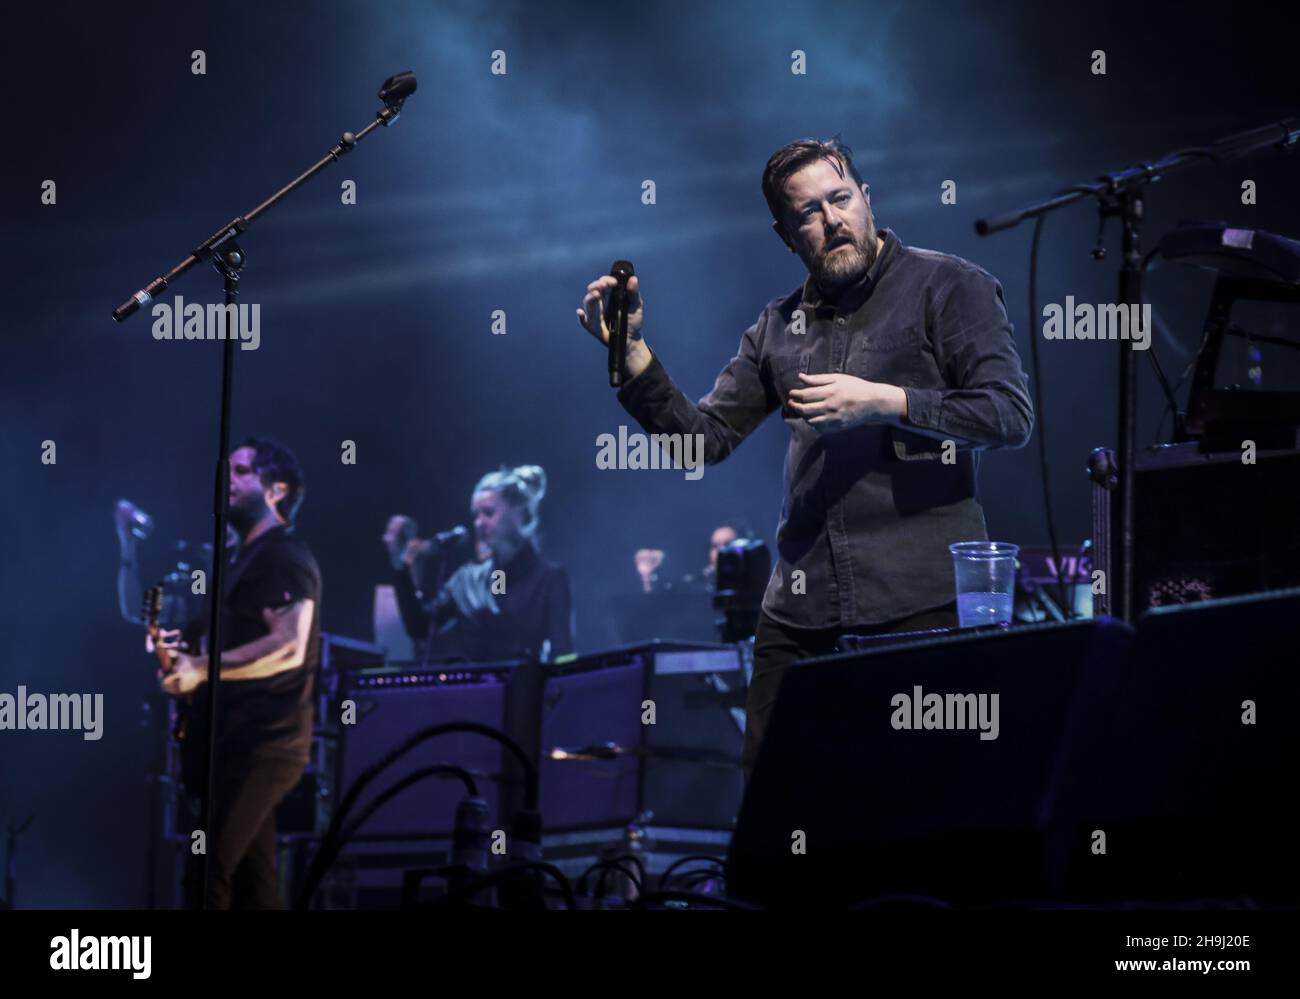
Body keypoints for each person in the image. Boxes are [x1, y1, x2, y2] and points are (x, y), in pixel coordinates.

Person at [576, 137, 1033, 782]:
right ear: (787, 235)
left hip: (921, 601)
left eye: (840, 199)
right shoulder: (777, 326)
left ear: (867, 199)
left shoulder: (949, 285)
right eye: (809, 213)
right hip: (802, 612)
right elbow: (700, 442)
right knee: (776, 808)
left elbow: (1007, 415)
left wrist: (888, 401)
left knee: (926, 801)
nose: (833, 219)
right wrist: (632, 359)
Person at [152, 438, 321, 909]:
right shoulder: (234, 562)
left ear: (277, 490)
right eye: (226, 470)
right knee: (253, 886)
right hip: (231, 742)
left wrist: (201, 669)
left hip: (265, 741)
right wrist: (177, 649)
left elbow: (289, 646)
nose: (227, 480)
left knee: (206, 869)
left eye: (242, 472)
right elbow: (215, 642)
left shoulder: (283, 556)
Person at [385, 465, 574, 663]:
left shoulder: (549, 578)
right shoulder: (467, 579)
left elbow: (563, 654)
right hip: (475, 692)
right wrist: (399, 566)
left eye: (488, 513)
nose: (478, 523)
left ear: (519, 514)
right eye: (476, 514)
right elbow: (420, 627)